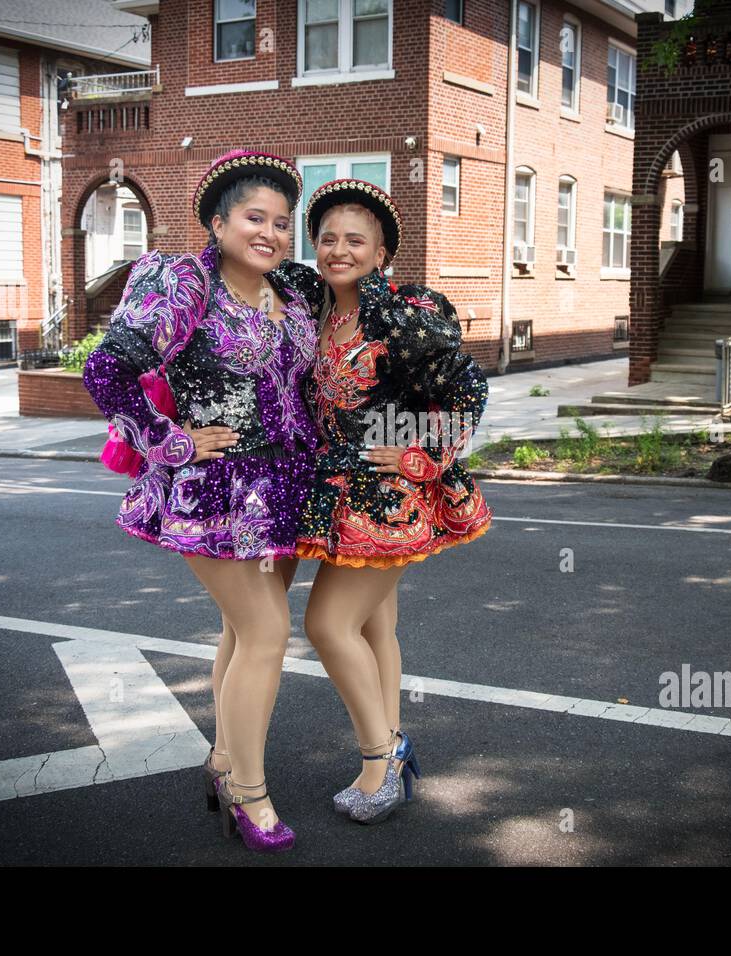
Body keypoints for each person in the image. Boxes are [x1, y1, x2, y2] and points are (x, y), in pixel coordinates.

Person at [82, 149, 320, 852]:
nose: (272, 233)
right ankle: (249, 790)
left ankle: (223, 763)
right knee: (269, 634)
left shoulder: (293, 292)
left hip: (284, 487)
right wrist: (168, 442)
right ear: (218, 221)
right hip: (215, 488)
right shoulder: (184, 284)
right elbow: (106, 368)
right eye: (255, 217)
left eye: (282, 222)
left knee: (241, 634)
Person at [290, 179, 493, 824]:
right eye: (327, 238)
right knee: (376, 628)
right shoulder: (312, 306)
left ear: (382, 252)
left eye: (356, 240)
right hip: (332, 493)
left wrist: (415, 451)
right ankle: (390, 748)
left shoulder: (406, 311)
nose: (338, 250)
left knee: (326, 625)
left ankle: (383, 755)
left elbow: (467, 390)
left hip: (388, 498)